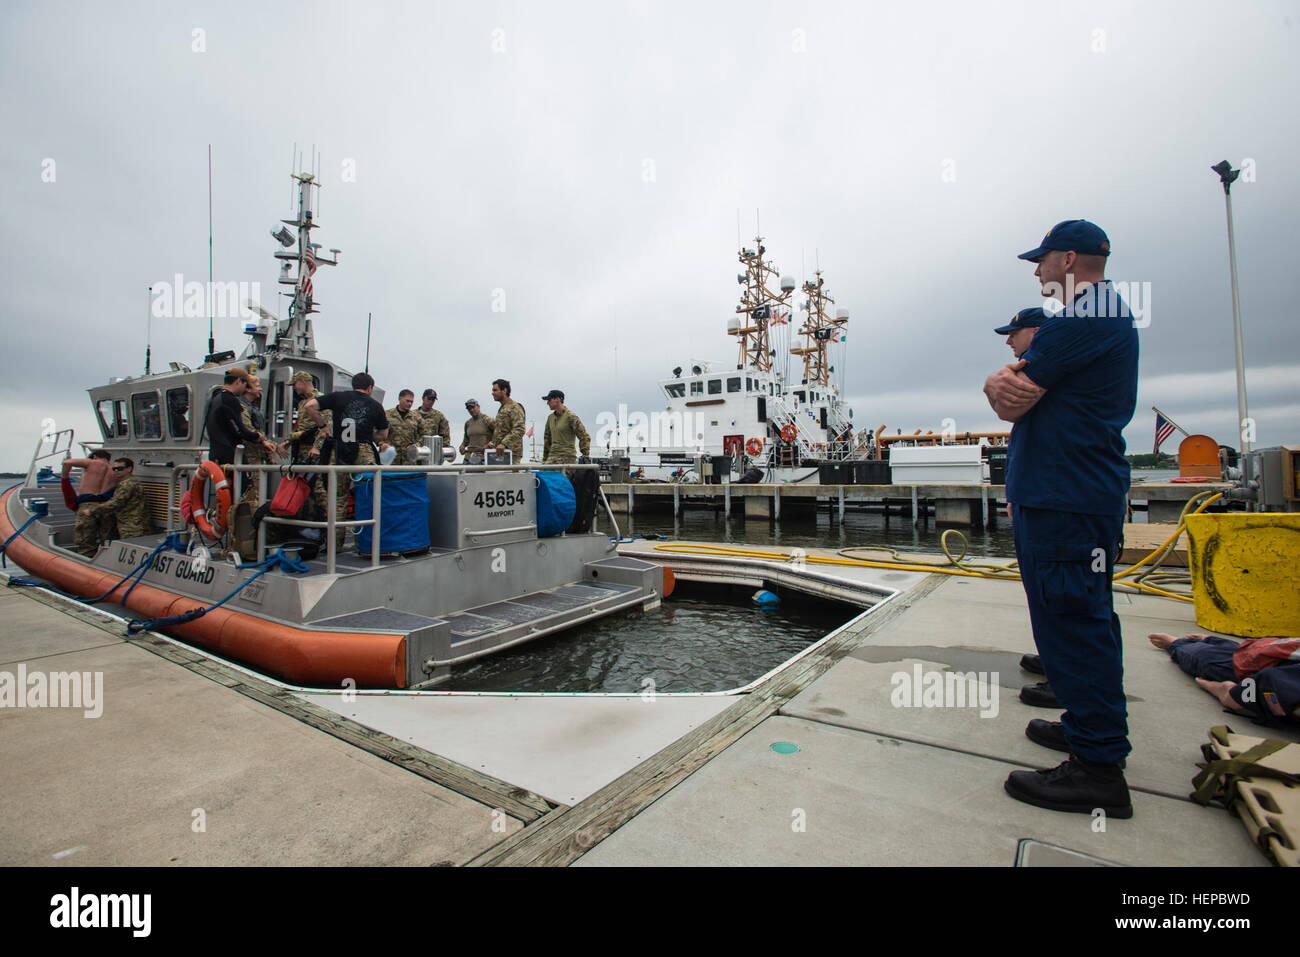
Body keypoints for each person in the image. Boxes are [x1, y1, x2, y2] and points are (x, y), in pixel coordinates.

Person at [983, 219, 1139, 818]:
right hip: (1065, 493)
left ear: (1069, 258)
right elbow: (1016, 392)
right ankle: (1086, 728)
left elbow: (1008, 396)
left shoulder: (1087, 315)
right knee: (1076, 616)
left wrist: (1001, 385)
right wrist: (1012, 385)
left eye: (1042, 258)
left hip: (1067, 495)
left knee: (1074, 619)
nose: (1035, 268)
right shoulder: (1092, 315)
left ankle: (1098, 770)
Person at [302, 372, 389, 547]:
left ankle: (334, 545)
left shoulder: (338, 397)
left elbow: (310, 406)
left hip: (339, 449)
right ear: (370, 388)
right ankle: (370, 542)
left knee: (337, 498)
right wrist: (370, 434)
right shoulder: (376, 405)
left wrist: (323, 426)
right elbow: (382, 434)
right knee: (371, 493)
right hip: (363, 450)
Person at [1148, 632, 1300, 725]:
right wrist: (1227, 692)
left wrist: (1228, 692)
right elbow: (1270, 682)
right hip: (1256, 661)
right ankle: (1188, 643)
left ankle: (1184, 643)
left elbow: (1269, 684)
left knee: (1208, 656)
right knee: (1207, 657)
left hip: (1261, 659)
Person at [206, 367, 276, 467]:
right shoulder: (230, 400)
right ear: (238, 381)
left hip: (215, 454)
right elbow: (238, 430)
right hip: (230, 456)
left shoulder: (216, 399)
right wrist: (257, 437)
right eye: (245, 384)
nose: (244, 388)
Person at [80, 458, 148, 554]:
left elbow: (115, 503)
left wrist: (92, 511)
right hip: (129, 523)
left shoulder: (127, 484)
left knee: (131, 551)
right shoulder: (127, 483)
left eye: (120, 468)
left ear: (129, 469)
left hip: (132, 526)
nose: (116, 471)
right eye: (114, 469)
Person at [236, 374, 274, 508]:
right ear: (247, 389)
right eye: (257, 386)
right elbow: (248, 429)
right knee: (254, 492)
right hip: (249, 456)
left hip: (257, 455)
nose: (260, 389)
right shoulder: (242, 407)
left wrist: (268, 453)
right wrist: (264, 442)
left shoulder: (252, 407)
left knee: (259, 491)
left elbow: (259, 431)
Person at [541, 389, 591, 465]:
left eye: (549, 400)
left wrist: (585, 456)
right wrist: (545, 458)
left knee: (560, 476)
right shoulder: (550, 418)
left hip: (567, 457)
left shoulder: (571, 417)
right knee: (543, 475)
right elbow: (547, 439)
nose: (547, 403)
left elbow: (584, 436)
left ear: (558, 399)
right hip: (552, 457)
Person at [487, 378, 526, 464]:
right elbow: (500, 432)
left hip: (512, 455)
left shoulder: (514, 407)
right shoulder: (503, 408)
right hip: (500, 454)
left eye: (495, 390)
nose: (492, 393)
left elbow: (519, 429)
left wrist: (504, 444)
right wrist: (490, 445)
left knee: (511, 477)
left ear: (504, 390)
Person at [386, 389, 425, 463]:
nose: (410, 404)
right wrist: (382, 444)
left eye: (411, 402)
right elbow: (377, 432)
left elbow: (424, 435)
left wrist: (415, 446)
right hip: (391, 460)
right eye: (407, 401)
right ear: (399, 399)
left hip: (409, 460)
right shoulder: (387, 415)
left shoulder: (416, 417)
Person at [459, 399, 495, 464]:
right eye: (469, 409)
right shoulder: (468, 423)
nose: (471, 410)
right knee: (464, 473)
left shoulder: (487, 420)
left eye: (473, 407)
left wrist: (489, 445)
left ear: (478, 406)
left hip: (483, 457)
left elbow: (499, 435)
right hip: (469, 458)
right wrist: (462, 446)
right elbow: (466, 439)